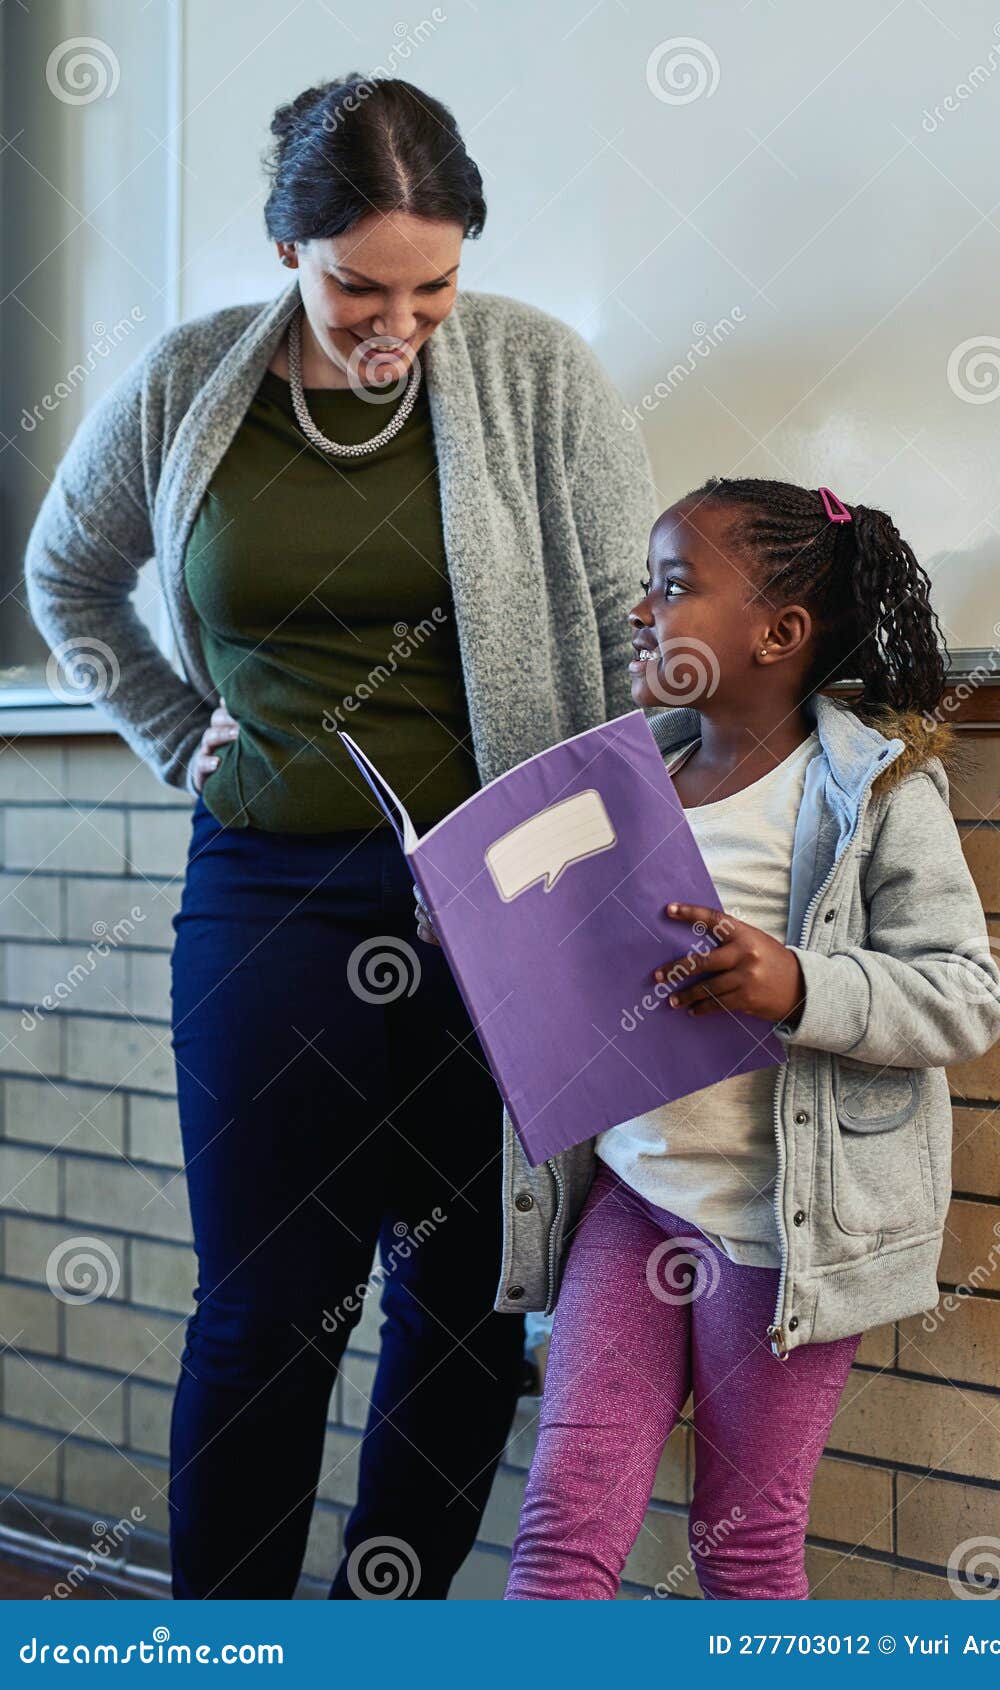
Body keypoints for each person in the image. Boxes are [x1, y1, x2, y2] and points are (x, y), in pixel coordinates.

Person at [23, 73, 655, 1599]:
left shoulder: (535, 374)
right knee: (264, 1305)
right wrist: (183, 733)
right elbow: (66, 579)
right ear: (288, 247)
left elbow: (621, 629)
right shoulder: (193, 384)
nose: (399, 323)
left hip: (510, 895)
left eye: (433, 287)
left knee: (463, 1296)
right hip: (269, 892)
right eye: (360, 286)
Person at [494, 477, 1000, 1599]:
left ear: (778, 633)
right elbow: (578, 989)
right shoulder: (630, 783)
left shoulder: (873, 790)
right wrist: (487, 940)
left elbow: (966, 998)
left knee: (745, 1545)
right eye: (644, 583)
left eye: (672, 587)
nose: (639, 610)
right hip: (630, 1203)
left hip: (785, 1238)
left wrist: (797, 985)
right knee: (560, 1533)